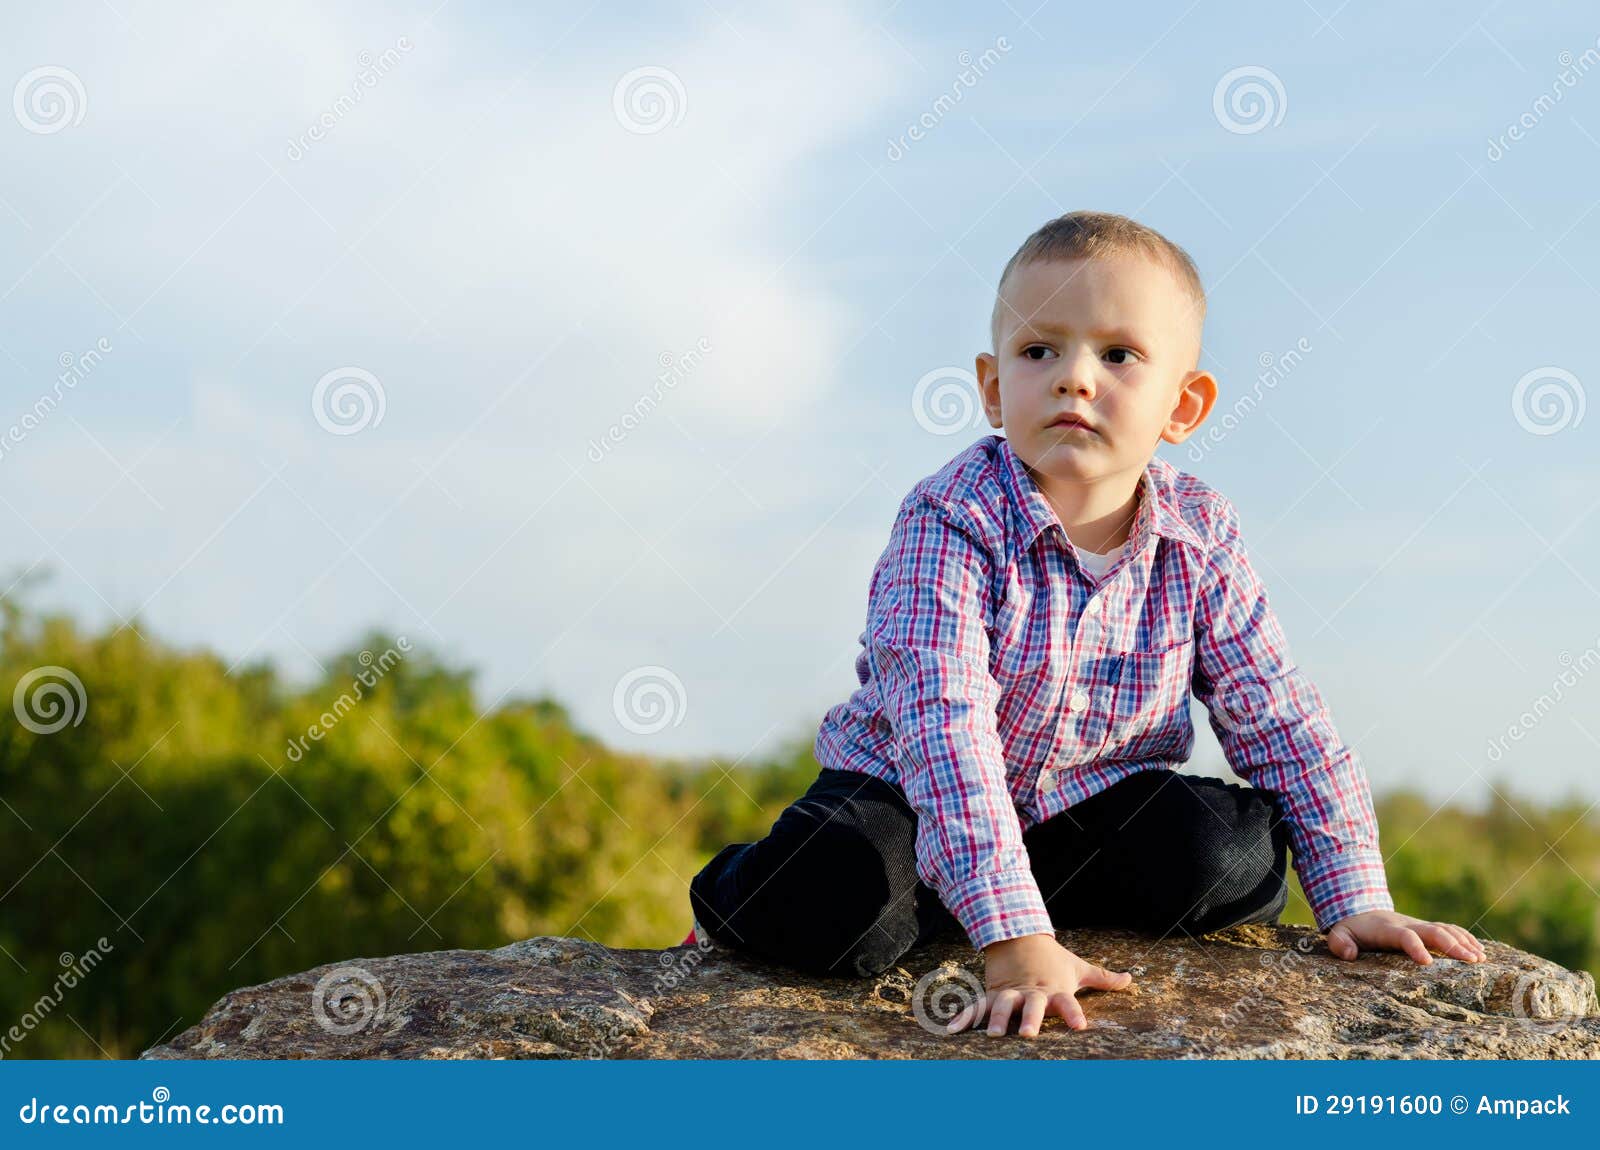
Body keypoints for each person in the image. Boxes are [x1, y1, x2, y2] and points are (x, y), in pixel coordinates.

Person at [687, 210, 1485, 1040]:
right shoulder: (950, 519)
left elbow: (1278, 714)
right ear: (995, 389)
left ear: (1184, 405)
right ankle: (745, 896)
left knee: (1232, 860)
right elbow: (943, 730)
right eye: (1040, 351)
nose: (1074, 377)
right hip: (908, 791)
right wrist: (1014, 937)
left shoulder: (1201, 534)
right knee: (841, 902)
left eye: (1118, 355)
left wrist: (1357, 897)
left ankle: (992, 894)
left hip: (1084, 806)